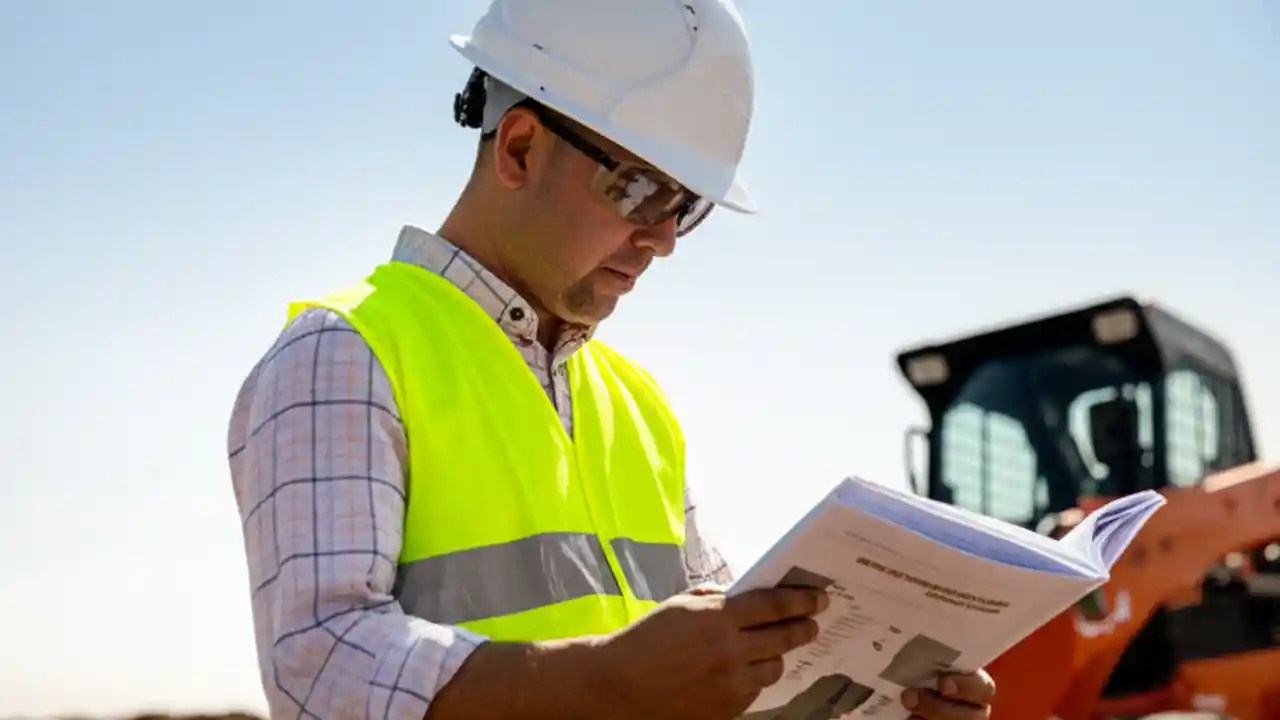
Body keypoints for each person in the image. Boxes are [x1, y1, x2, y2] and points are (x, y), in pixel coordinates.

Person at [225, 1, 997, 718]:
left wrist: (878, 704)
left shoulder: (638, 404)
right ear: (521, 148)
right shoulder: (345, 354)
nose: (662, 239)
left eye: (685, 206)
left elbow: (717, 677)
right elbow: (320, 661)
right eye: (639, 192)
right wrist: (601, 680)